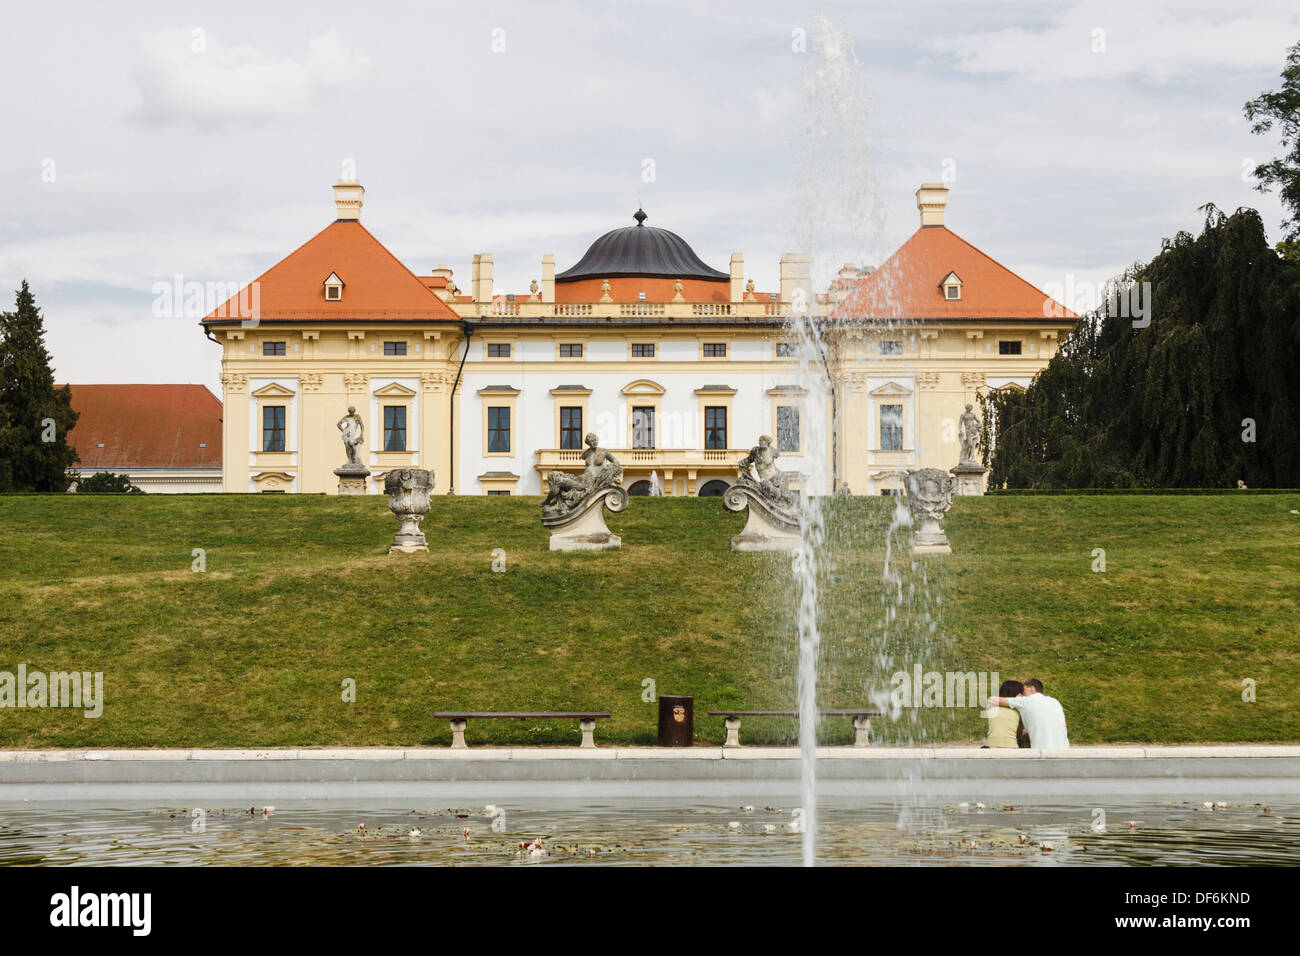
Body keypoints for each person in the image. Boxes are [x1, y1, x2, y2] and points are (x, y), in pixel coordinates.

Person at [989, 678, 1069, 749]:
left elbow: (992, 700)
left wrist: (1017, 698)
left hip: (1043, 751)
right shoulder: (1054, 702)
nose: (1022, 693)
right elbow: (1064, 725)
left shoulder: (1025, 701)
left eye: (1023, 690)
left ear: (1031, 688)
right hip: (1064, 749)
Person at [983, 680, 1024, 748]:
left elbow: (991, 699)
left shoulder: (990, 707)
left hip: (992, 747)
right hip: (1011, 747)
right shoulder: (1018, 711)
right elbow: (1019, 734)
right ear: (1019, 695)